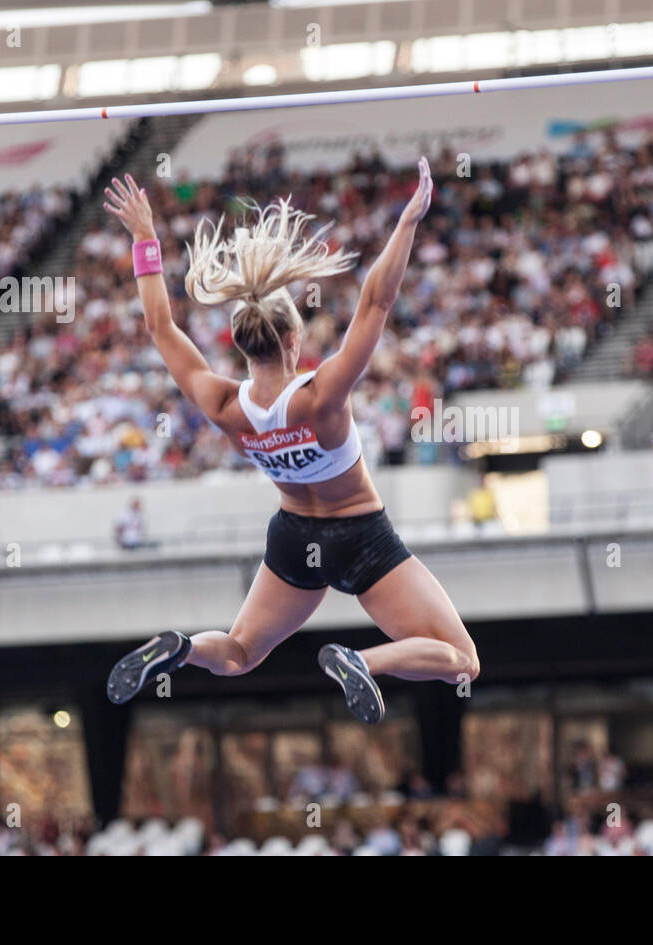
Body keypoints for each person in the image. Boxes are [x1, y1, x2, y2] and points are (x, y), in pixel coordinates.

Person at [102, 162, 479, 723]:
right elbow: (376, 301)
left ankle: (182, 648)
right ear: (294, 338)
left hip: (293, 537)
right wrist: (407, 222)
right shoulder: (319, 397)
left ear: (241, 344)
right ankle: (362, 661)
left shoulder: (226, 407)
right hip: (361, 538)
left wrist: (145, 239)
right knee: (462, 661)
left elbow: (162, 328)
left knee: (237, 653)